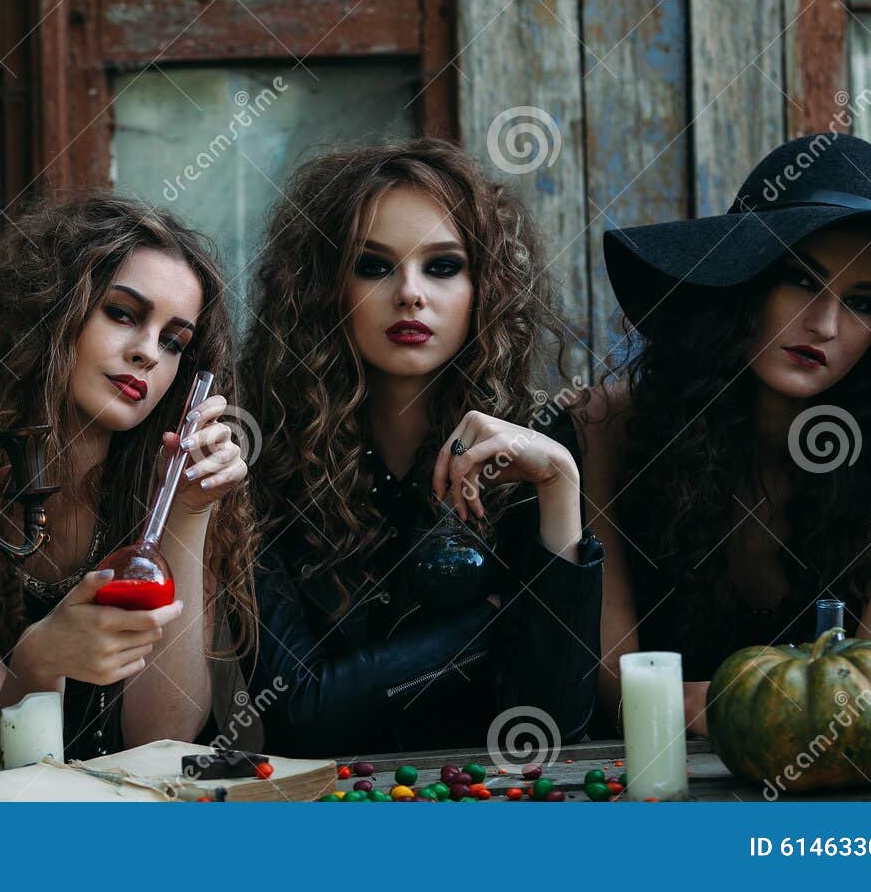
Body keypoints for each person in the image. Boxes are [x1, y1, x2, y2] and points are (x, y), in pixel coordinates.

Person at [579, 133, 871, 736]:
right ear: (745, 280)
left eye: (862, 301)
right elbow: (613, 681)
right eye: (801, 280)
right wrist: (808, 713)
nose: (824, 326)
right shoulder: (615, 427)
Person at [0, 192, 257, 773]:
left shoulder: (166, 484)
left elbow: (163, 738)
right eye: (124, 313)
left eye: (173, 341)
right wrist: (40, 661)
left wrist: (188, 509)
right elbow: (5, 751)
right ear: (49, 309)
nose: (147, 353)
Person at [240, 139, 604, 758]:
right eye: (374, 266)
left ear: (484, 287)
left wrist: (560, 481)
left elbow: (557, 721)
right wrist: (492, 624)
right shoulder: (267, 458)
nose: (410, 293)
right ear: (328, 289)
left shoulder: (531, 449)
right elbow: (299, 713)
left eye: (442, 266)